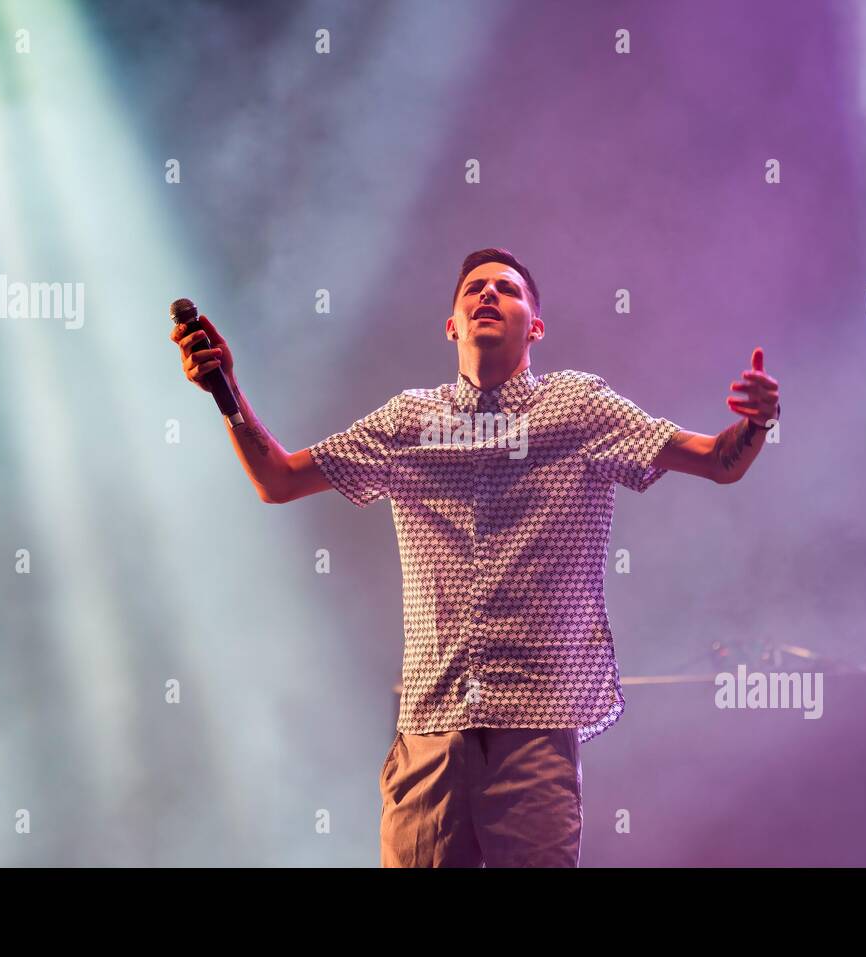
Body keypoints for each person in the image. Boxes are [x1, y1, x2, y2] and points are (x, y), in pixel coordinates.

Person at [170, 248, 780, 867]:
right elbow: (278, 479)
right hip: (429, 731)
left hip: (534, 728)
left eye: (508, 290)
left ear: (535, 327)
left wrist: (755, 426)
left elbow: (714, 461)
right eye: (474, 290)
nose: (488, 295)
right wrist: (226, 391)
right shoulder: (410, 420)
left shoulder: (579, 407)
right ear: (452, 325)